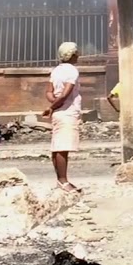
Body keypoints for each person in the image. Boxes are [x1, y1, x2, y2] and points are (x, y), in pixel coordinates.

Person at [43, 42, 83, 193]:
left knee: (57, 147)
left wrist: (54, 103)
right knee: (62, 148)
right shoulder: (72, 71)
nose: (78, 55)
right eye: (76, 53)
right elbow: (66, 94)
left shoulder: (56, 70)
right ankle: (63, 181)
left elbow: (49, 92)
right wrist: (52, 107)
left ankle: (61, 180)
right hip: (67, 111)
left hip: (59, 112)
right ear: (72, 55)